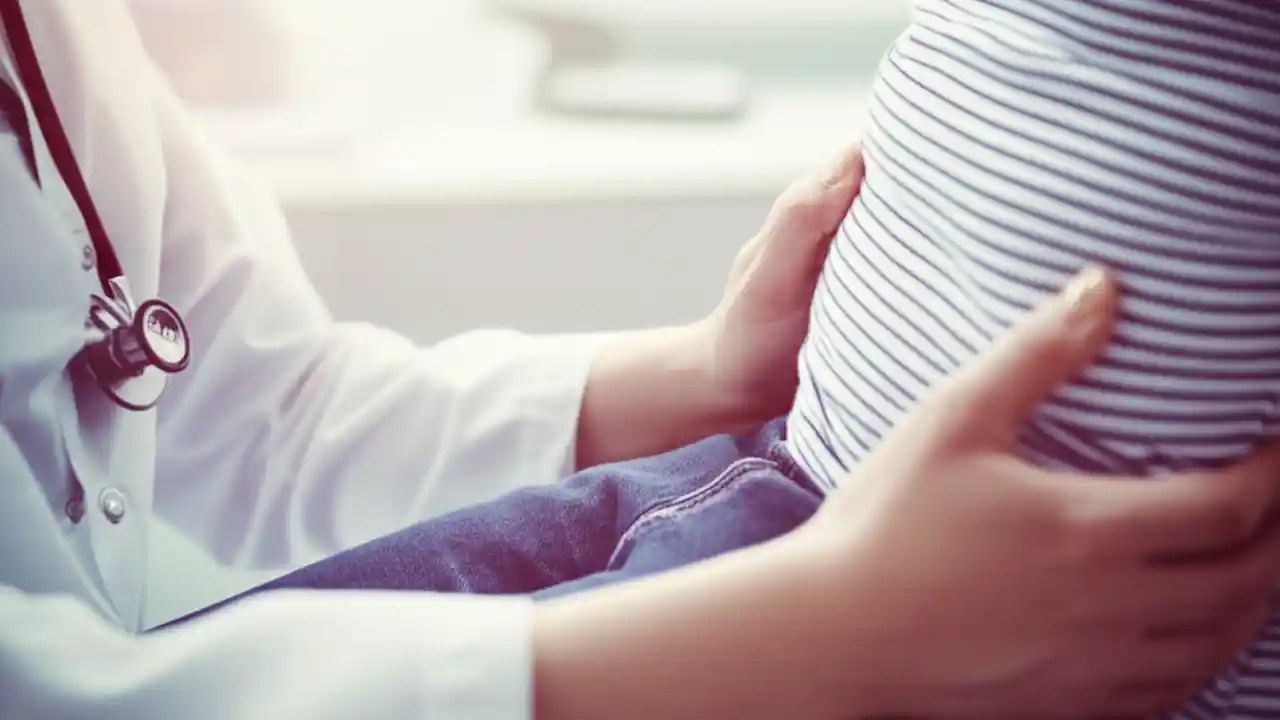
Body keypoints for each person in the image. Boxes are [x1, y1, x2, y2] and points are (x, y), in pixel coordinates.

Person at [3, 2, 1280, 719]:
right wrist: (831, 625)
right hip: (825, 552)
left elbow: (264, 405)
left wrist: (714, 370)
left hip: (799, 488)